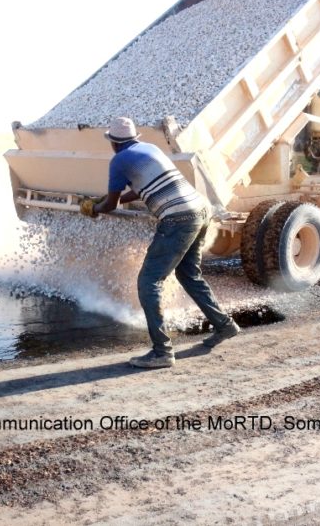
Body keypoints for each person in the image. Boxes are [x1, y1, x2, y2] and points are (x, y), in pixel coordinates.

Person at [80, 117, 241, 369]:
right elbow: (145, 187)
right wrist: (115, 198)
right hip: (200, 209)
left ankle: (161, 352)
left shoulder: (119, 160)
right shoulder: (151, 149)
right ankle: (224, 325)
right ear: (134, 137)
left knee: (148, 282)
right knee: (189, 275)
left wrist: (94, 209)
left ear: (112, 142)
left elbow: (109, 205)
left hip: (178, 218)